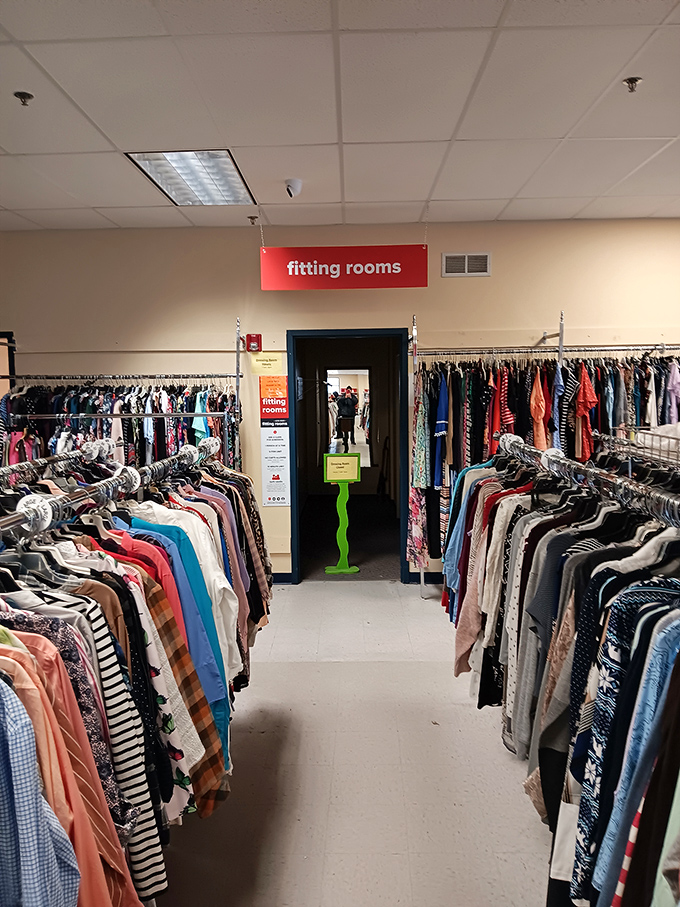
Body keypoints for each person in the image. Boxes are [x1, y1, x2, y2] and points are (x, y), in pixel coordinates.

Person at [335, 386, 358, 452]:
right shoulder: (342, 396)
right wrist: (345, 398)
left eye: (349, 390)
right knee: (344, 429)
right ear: (345, 390)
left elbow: (355, 402)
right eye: (347, 390)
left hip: (351, 414)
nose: (348, 391)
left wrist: (350, 398)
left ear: (351, 390)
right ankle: (345, 440)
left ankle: (352, 440)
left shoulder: (353, 397)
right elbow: (339, 402)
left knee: (352, 428)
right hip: (344, 415)